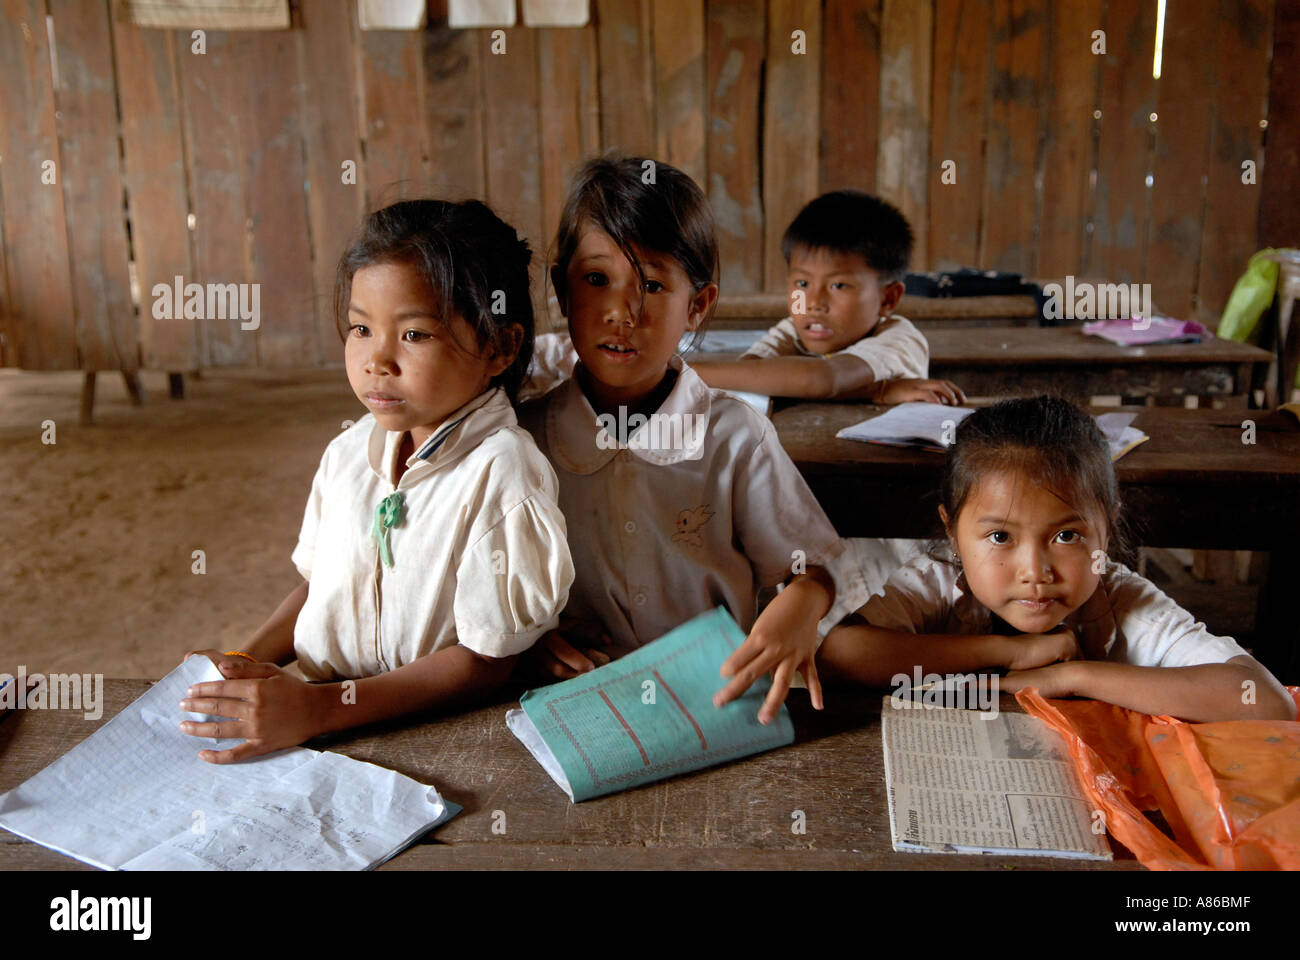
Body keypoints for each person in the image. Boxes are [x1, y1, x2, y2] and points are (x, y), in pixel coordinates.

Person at [179, 199, 575, 762]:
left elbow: (487, 662)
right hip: (316, 720)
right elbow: (323, 590)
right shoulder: (347, 452)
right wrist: (244, 660)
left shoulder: (503, 472)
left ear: (500, 347)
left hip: (438, 738)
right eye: (361, 328)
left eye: (414, 335)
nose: (376, 360)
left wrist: (318, 710)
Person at [517, 154, 847, 725]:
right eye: (596, 280)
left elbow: (811, 565)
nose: (621, 312)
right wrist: (530, 641)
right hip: (584, 704)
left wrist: (801, 604)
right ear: (563, 292)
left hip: (720, 701)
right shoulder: (527, 440)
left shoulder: (735, 437)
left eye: (651, 284)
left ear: (697, 306)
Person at [816, 395, 1295, 722]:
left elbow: (1265, 700)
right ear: (952, 532)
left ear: (1107, 526)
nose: (1035, 572)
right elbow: (838, 657)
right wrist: (1012, 653)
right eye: (1000, 536)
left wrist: (1072, 675)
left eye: (1067, 535)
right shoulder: (942, 579)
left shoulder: (1117, 597)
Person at [689, 190, 963, 405]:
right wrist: (879, 391)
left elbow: (823, 379)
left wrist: (678, 370)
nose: (814, 301)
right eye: (803, 283)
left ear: (888, 298)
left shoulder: (899, 339)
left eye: (839, 286)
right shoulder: (794, 330)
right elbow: (748, 374)